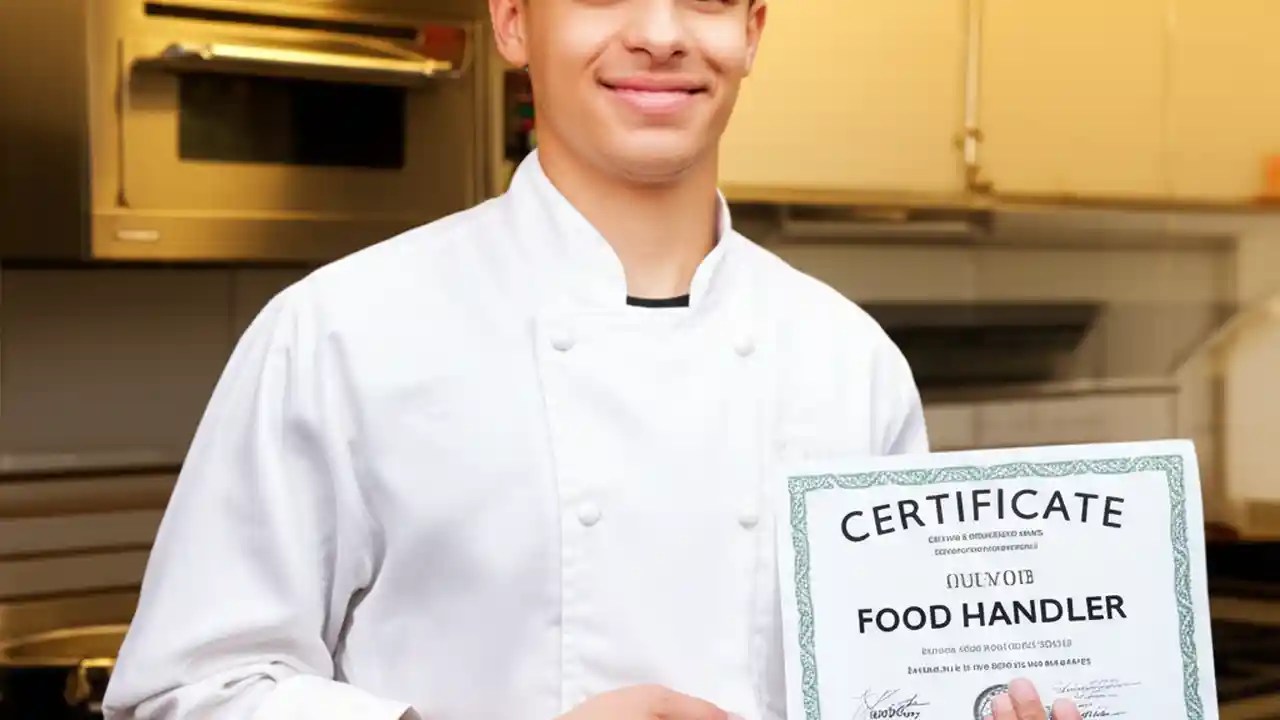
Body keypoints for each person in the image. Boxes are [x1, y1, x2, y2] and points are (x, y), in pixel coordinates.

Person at [102, 0, 1081, 718]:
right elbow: (189, 691)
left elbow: (895, 689)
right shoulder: (339, 331)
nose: (658, 33)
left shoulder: (846, 358)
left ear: (751, 29)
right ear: (514, 21)